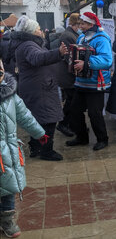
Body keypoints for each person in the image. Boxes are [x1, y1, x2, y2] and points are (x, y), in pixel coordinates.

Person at [0, 51, 48, 238]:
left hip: (8, 151)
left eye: (1, 72)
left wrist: (39, 133)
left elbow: (24, 115)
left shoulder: (9, 94)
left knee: (8, 187)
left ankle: (7, 220)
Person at [8, 16, 68, 161]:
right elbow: (37, 58)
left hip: (37, 87)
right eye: (39, 29)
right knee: (48, 120)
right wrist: (57, 53)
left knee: (37, 119)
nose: (41, 31)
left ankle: (35, 147)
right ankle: (47, 151)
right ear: (32, 31)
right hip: (40, 89)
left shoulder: (26, 43)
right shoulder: (29, 44)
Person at [66, 12, 112, 151]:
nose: (80, 26)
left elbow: (107, 60)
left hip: (96, 83)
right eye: (79, 24)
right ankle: (82, 137)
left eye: (83, 24)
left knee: (94, 113)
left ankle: (102, 139)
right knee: (74, 111)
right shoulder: (81, 38)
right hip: (80, 82)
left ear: (91, 24)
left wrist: (86, 63)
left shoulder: (102, 39)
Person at [55, 13, 80, 137]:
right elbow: (68, 56)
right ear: (75, 24)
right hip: (68, 75)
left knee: (72, 100)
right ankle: (63, 124)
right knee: (71, 101)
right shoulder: (68, 35)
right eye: (79, 24)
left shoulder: (71, 34)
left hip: (69, 74)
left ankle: (68, 124)